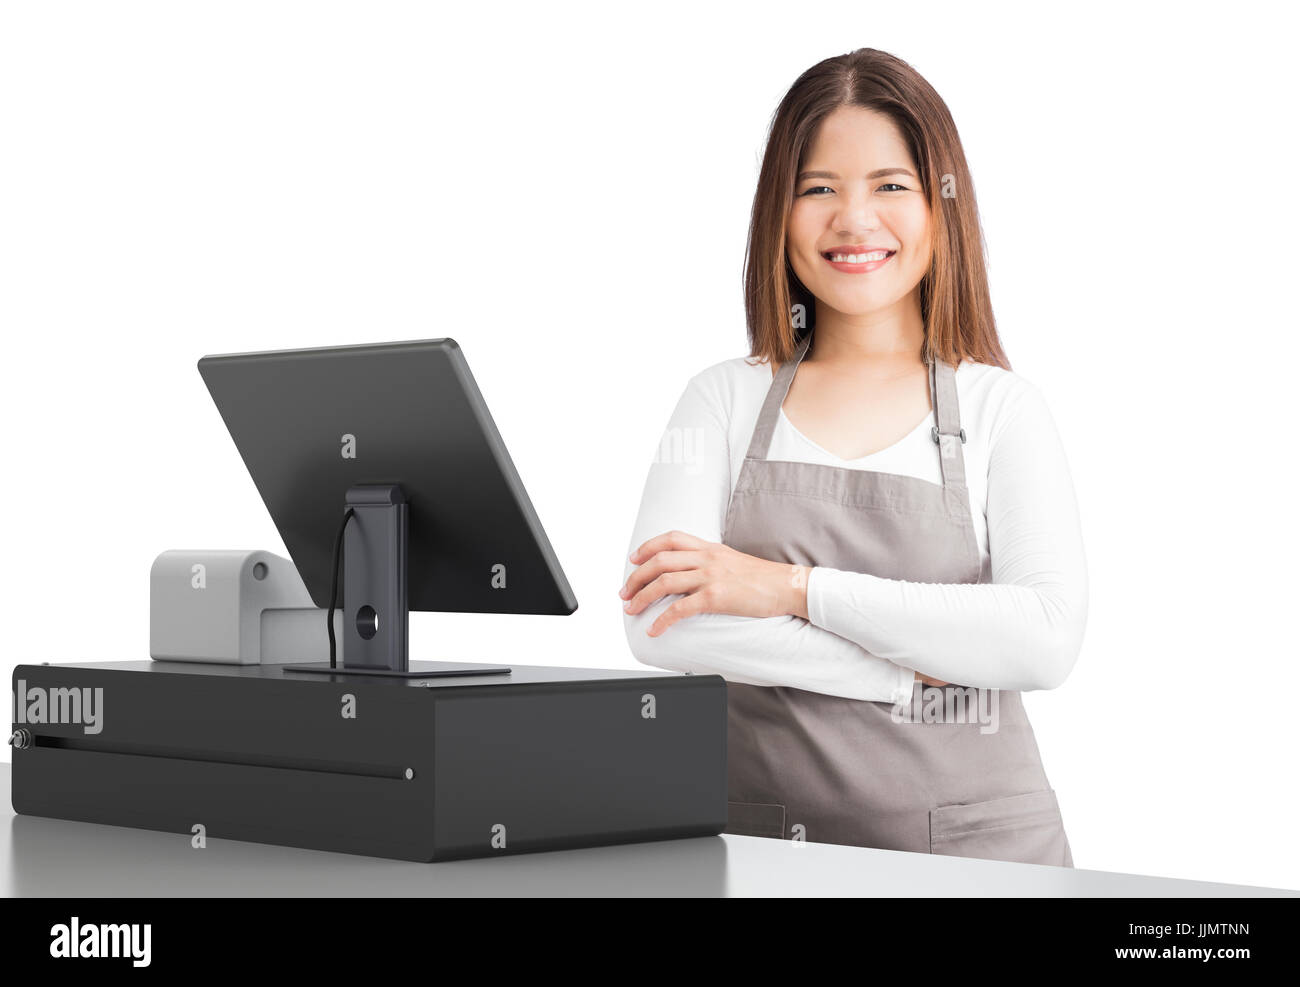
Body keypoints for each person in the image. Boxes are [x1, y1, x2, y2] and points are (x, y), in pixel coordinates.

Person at [618, 48, 1087, 866]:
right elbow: (659, 624)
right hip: (762, 852)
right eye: (819, 188)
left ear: (944, 208)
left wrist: (785, 587)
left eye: (891, 186)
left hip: (980, 863)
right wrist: (903, 676)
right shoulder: (721, 401)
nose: (854, 220)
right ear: (780, 212)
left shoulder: (1001, 409)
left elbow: (1042, 639)